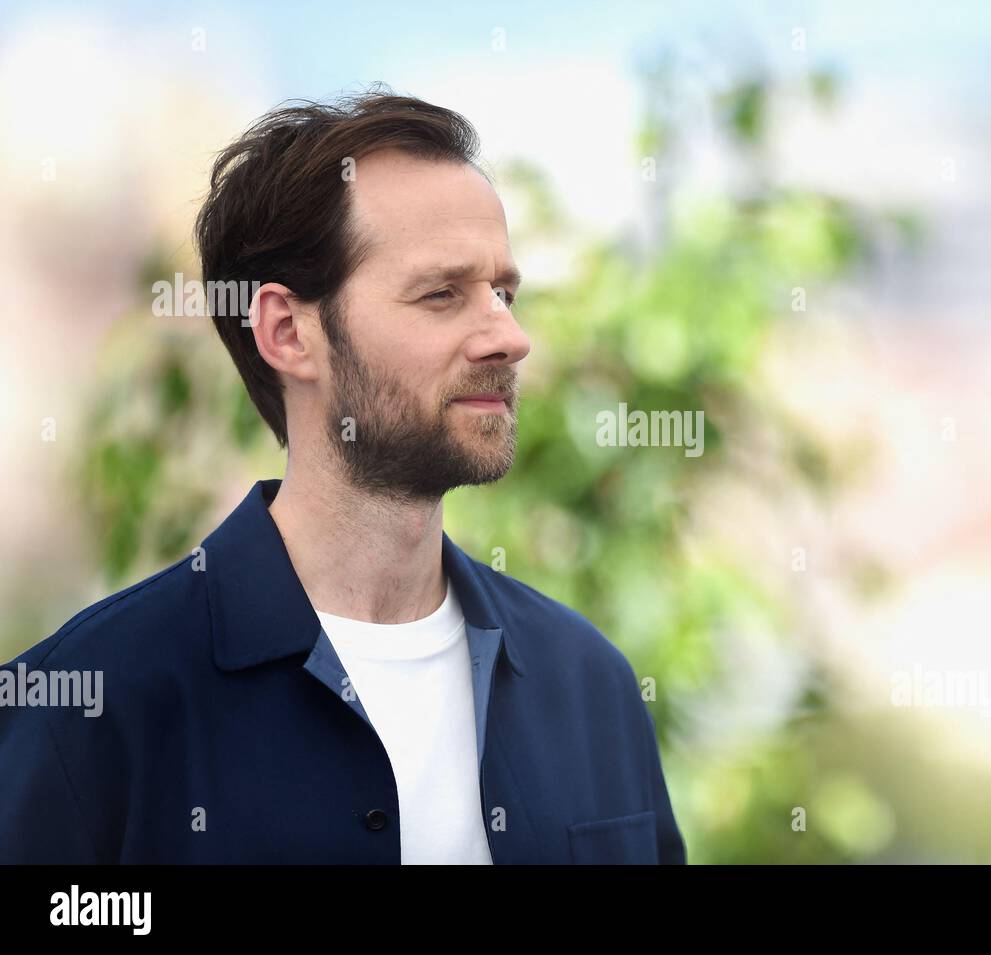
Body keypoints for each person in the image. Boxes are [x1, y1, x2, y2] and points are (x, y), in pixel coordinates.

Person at [0, 90, 686, 865]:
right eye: (442, 294)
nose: (509, 335)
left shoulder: (590, 685)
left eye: (503, 291)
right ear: (288, 333)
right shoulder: (88, 707)